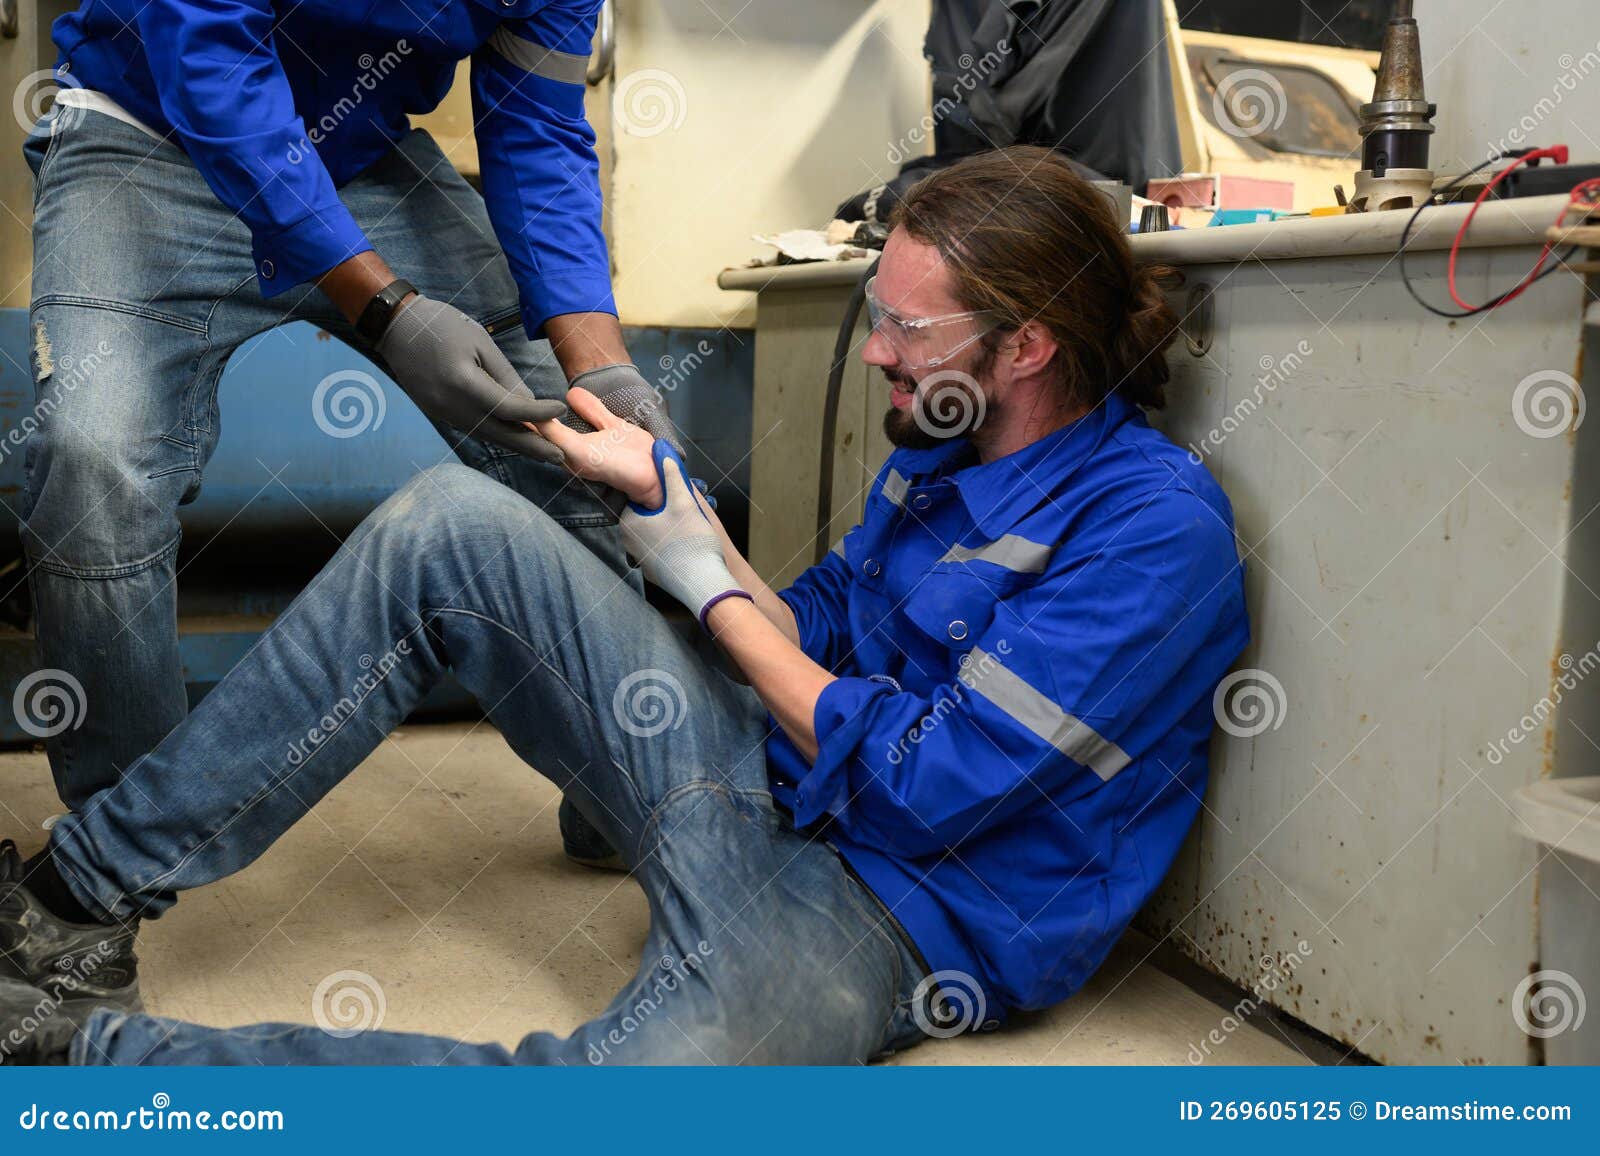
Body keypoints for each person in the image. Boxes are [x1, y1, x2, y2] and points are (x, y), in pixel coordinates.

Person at [0, 146, 1249, 1066]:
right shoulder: (948, 448)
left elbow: (931, 781)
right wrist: (675, 517)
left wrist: (708, 587)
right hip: (770, 780)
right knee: (453, 524)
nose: (874, 353)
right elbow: (804, 628)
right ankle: (74, 890)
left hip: (894, 915)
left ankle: (79, 1063)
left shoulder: (1150, 534)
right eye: (876, 316)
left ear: (1025, 347)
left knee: (637, 1099)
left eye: (904, 327)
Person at [22, 1, 673, 816]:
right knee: (93, 459)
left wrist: (604, 374)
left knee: (584, 439)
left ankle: (643, 798)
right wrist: (387, 308)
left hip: (354, 158)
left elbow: (535, 129)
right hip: (144, 134)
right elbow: (209, 59)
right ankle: (113, 852)